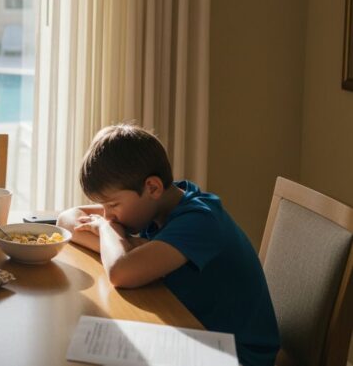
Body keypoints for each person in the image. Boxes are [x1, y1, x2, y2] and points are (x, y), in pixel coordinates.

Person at [56, 124, 279, 366]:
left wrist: (106, 229)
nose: (108, 214)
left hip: (238, 355)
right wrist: (125, 245)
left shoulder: (200, 220)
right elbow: (66, 220)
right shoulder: (161, 203)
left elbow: (121, 272)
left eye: (112, 205)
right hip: (195, 332)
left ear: (152, 187)